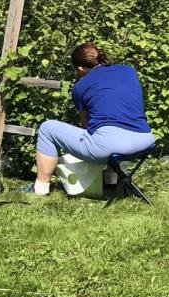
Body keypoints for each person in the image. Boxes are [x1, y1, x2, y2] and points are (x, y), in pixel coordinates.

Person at [28, 43, 155, 196]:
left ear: (81, 69)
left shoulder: (80, 87)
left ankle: (40, 189)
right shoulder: (128, 70)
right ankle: (111, 183)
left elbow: (86, 125)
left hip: (111, 146)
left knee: (48, 128)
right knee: (106, 131)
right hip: (145, 139)